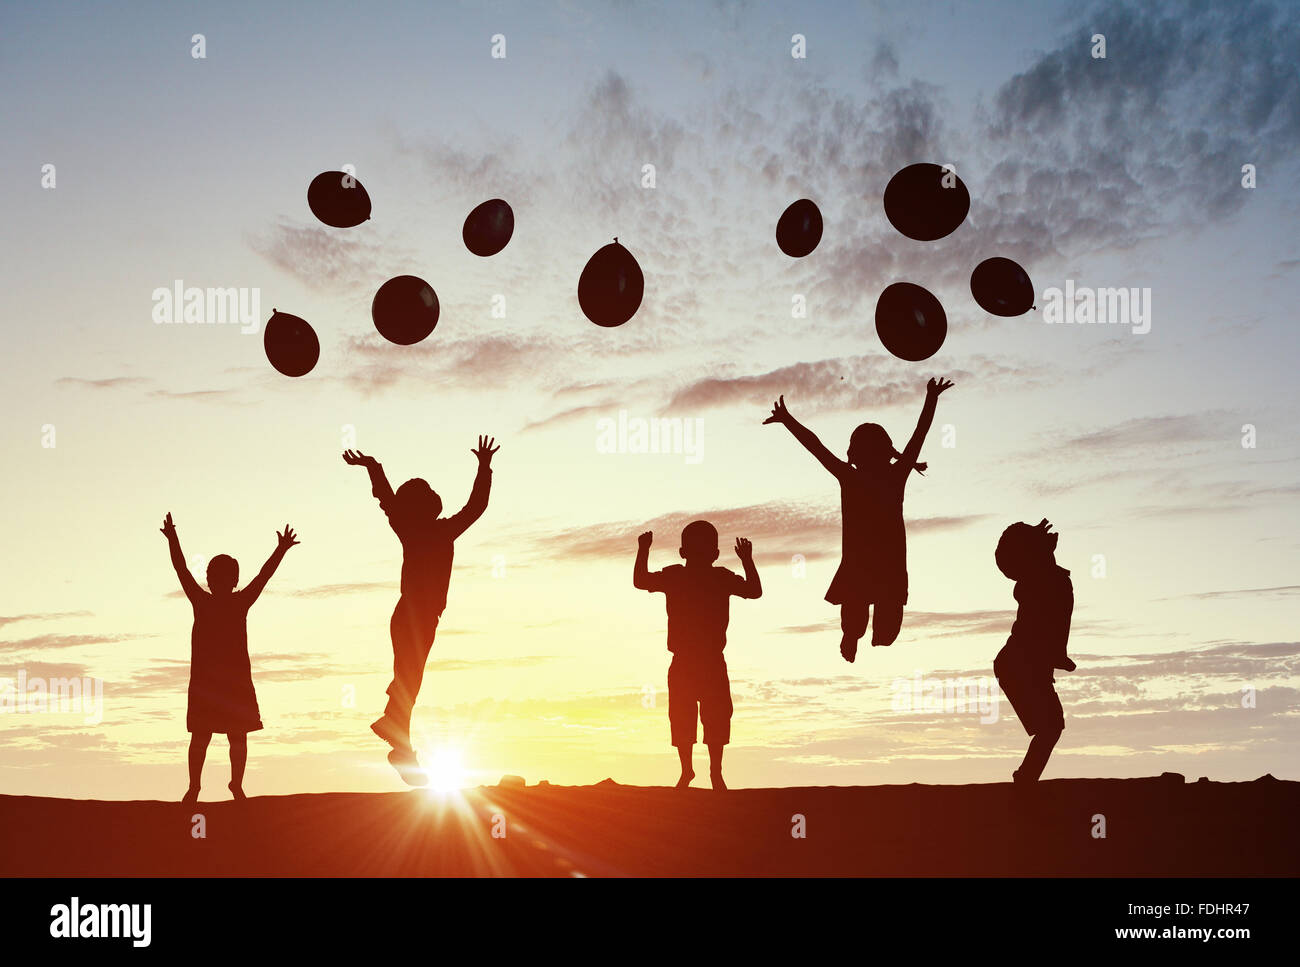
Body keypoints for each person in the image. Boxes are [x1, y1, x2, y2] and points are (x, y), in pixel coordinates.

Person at [342, 436, 497, 785]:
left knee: (409, 679)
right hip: (415, 616)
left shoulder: (416, 530)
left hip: (414, 617)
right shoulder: (437, 531)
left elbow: (388, 500)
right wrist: (484, 467)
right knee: (409, 680)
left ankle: (398, 740)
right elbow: (475, 506)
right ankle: (399, 744)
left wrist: (374, 468)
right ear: (427, 505)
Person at [764, 377, 953, 661]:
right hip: (871, 567)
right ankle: (851, 635)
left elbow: (818, 447)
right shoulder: (873, 476)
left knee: (881, 633)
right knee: (863, 626)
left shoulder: (871, 476)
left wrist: (788, 420)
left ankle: (852, 634)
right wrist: (931, 398)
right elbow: (917, 436)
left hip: (876, 567)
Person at [160, 512, 298, 803]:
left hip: (226, 683)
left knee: (229, 735)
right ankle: (199, 786)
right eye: (214, 575)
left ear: (230, 580)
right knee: (207, 736)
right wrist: (173, 540)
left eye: (220, 576)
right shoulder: (217, 601)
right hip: (214, 684)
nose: (216, 580)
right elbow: (182, 570)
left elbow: (183, 570)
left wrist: (280, 550)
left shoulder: (226, 602)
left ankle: (227, 785)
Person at [633, 522, 761, 790]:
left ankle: (710, 772)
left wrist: (643, 550)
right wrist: (747, 561)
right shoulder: (685, 577)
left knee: (711, 715)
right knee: (686, 715)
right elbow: (641, 581)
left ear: (683, 551)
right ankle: (694, 772)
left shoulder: (706, 577)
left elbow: (753, 591)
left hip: (707, 661)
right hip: (690, 661)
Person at [993, 518, 1076, 783]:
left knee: (1051, 727)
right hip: (1020, 665)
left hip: (1022, 665)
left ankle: (1026, 778)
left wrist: (1037, 541)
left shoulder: (1047, 580)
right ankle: (1025, 780)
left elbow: (1054, 623)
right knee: (1051, 727)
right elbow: (1047, 621)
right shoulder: (1041, 582)